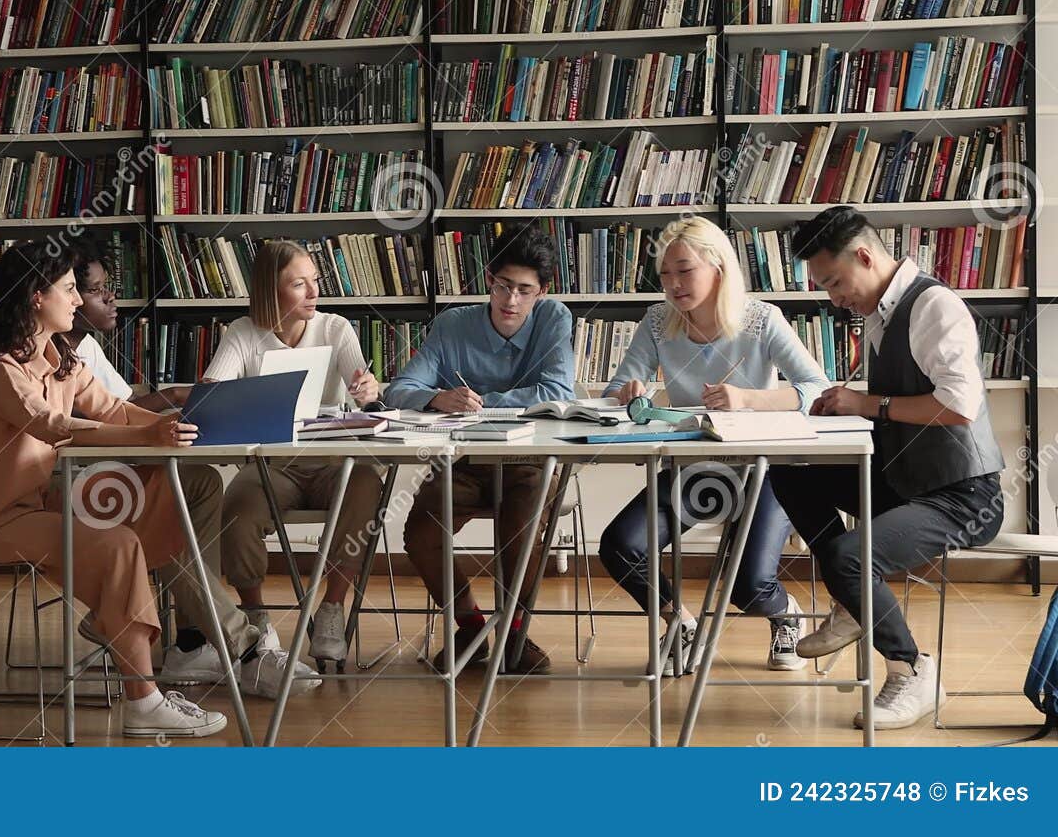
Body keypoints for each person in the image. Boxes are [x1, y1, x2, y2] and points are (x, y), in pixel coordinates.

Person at [0, 241, 317, 739]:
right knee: (118, 544)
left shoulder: (60, 358)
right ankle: (144, 699)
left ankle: (123, 623)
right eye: (71, 289)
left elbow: (113, 410)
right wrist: (147, 435)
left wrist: (176, 423)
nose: (78, 301)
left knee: (173, 491)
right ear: (36, 296)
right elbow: (52, 425)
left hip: (40, 505)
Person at [773, 205, 1005, 730]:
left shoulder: (933, 306)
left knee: (847, 556)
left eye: (835, 282)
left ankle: (912, 669)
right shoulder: (880, 314)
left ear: (864, 254)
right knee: (788, 470)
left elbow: (958, 406)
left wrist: (865, 404)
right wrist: (843, 407)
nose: (834, 298)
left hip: (962, 494)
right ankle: (854, 603)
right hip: (906, 480)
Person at [602, 216, 829, 675]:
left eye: (684, 270)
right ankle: (680, 622)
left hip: (768, 471)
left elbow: (817, 390)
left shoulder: (760, 319)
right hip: (697, 466)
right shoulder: (657, 320)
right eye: (665, 274)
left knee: (749, 586)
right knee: (620, 545)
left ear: (718, 267)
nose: (673, 284)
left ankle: (786, 614)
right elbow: (618, 386)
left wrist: (749, 399)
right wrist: (630, 391)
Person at [382, 223, 574, 674]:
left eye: (525, 291)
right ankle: (471, 626)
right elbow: (399, 389)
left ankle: (514, 634)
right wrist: (435, 398)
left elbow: (557, 391)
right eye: (504, 286)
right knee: (421, 531)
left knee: (520, 530)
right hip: (464, 462)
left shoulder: (555, 319)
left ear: (541, 293)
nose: (511, 302)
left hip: (529, 463)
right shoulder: (452, 324)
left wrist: (481, 406)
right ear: (489, 279)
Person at [197, 240, 389, 666]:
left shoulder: (335, 329)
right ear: (270, 291)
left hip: (332, 465)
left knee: (366, 484)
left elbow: (368, 401)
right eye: (299, 284)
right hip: (272, 469)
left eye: (314, 281)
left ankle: (332, 609)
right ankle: (253, 616)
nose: (314, 292)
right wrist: (229, 393)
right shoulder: (244, 333)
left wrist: (370, 391)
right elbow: (211, 396)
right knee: (237, 509)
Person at [64, 238, 189, 411]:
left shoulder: (87, 345)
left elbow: (126, 405)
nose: (110, 296)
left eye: (105, 286)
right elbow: (106, 416)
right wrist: (175, 395)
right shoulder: (42, 354)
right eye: (95, 289)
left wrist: (183, 394)